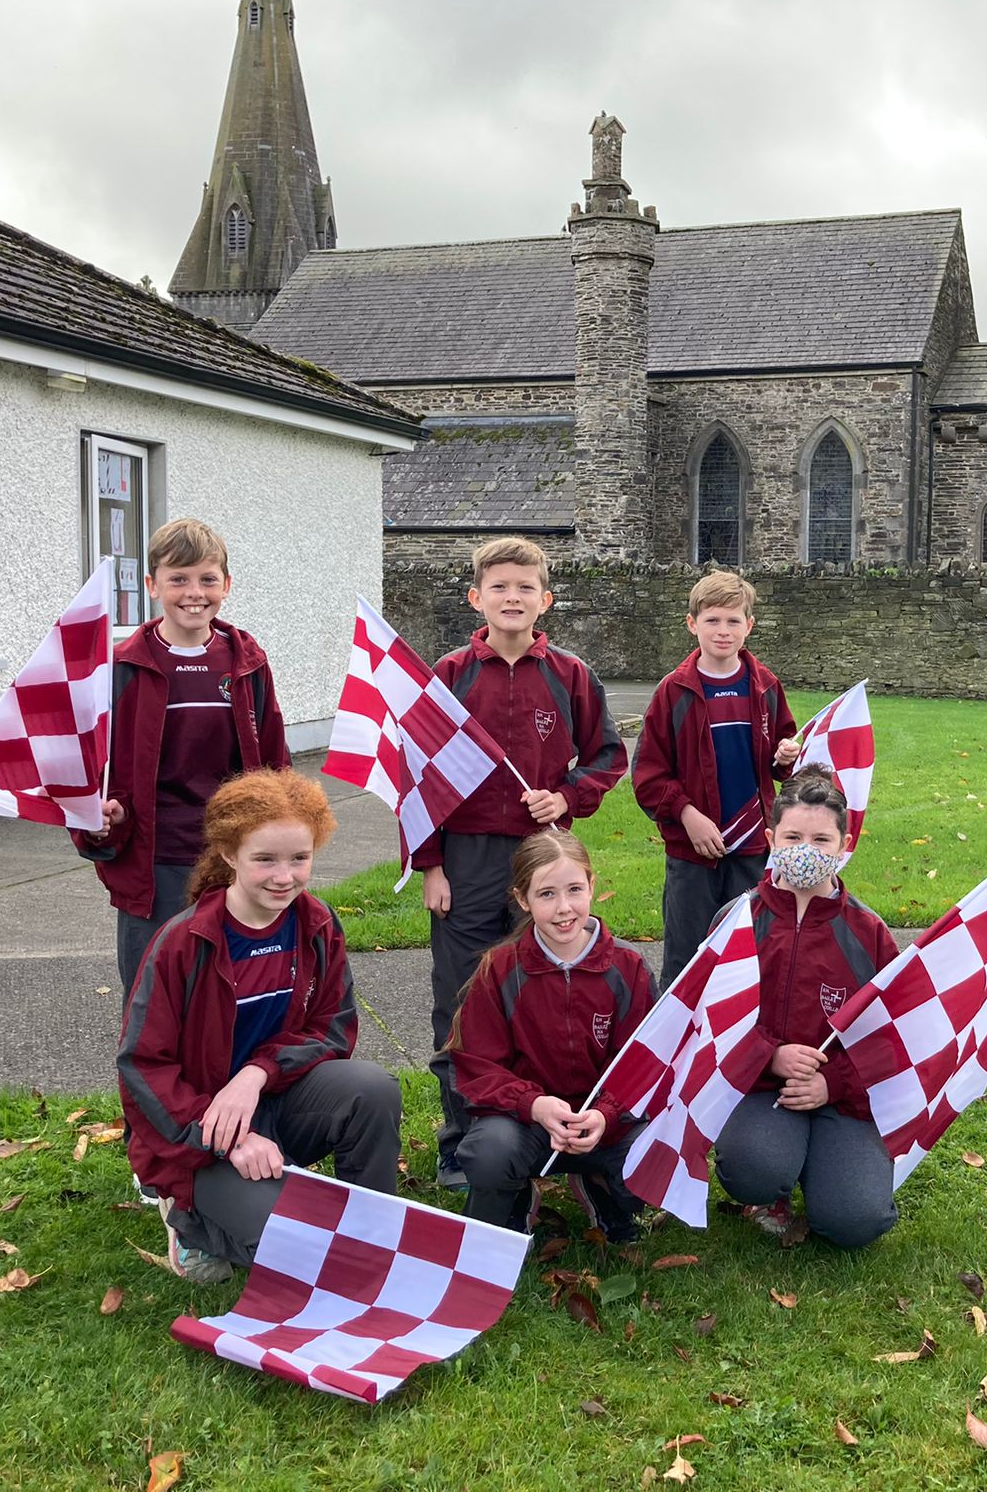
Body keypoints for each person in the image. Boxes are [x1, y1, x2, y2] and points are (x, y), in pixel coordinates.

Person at [118, 769, 400, 1282]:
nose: (284, 876)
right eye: (264, 859)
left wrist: (257, 1074)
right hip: (200, 1132)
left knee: (372, 1088)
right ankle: (190, 1221)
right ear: (229, 855)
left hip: (275, 1102)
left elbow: (333, 1029)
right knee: (294, 1248)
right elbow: (143, 1068)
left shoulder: (316, 924)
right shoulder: (182, 943)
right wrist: (226, 1139)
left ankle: (371, 1229)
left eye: (300, 858)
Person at [417, 537, 629, 1190]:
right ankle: (462, 1144)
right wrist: (431, 865)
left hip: (541, 855)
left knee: (542, 987)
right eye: (500, 587)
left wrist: (565, 795)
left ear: (546, 600)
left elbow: (609, 756)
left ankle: (550, 1126)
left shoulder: (570, 676)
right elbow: (417, 777)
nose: (513, 598)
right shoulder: (452, 674)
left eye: (525, 587)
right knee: (460, 999)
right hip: (468, 856)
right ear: (477, 598)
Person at [77, 517, 288, 995]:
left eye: (208, 579)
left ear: (227, 585)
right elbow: (89, 768)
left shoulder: (246, 663)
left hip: (233, 854)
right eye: (178, 579)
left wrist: (281, 838)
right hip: (155, 860)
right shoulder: (120, 668)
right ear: (152, 585)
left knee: (235, 990)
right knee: (155, 994)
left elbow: (275, 763)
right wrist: (97, 817)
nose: (195, 592)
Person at [712, 766, 900, 1249]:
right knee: (751, 1167)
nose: (805, 850)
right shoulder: (736, 920)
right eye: (793, 836)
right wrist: (769, 1054)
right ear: (771, 838)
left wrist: (830, 1083)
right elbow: (706, 1019)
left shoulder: (868, 932)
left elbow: (891, 1038)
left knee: (856, 1221)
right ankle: (770, 1187)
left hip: (844, 1098)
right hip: (760, 1088)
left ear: (845, 843)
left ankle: (831, 1174)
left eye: (821, 839)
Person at [448, 830, 657, 1239]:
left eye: (574, 889)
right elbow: (478, 1066)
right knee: (489, 1154)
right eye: (546, 894)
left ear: (592, 886)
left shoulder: (628, 967)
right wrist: (534, 1104)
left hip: (603, 1124)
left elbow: (646, 1063)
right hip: (528, 1123)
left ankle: (601, 1186)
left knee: (657, 1154)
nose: (564, 908)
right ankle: (515, 1192)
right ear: (523, 899)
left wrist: (606, 1113)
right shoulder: (500, 970)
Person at [631, 571, 800, 984]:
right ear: (692, 624)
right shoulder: (674, 692)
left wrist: (786, 756)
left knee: (748, 956)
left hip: (752, 848)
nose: (723, 631)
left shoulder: (765, 688)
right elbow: (649, 776)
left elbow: (786, 762)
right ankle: (678, 1046)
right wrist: (687, 815)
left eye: (733, 621)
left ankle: (744, 1045)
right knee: (687, 961)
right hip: (692, 854)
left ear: (749, 626)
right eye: (712, 620)